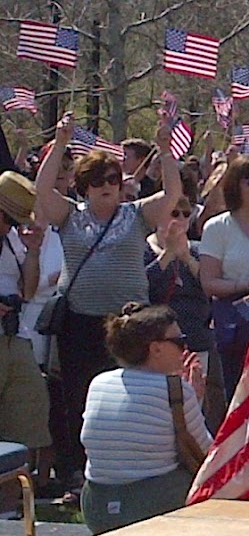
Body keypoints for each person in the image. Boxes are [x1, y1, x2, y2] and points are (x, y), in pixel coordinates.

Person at [33, 112, 182, 496]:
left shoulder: (135, 216)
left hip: (129, 325)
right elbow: (42, 189)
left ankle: (133, 468)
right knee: (77, 400)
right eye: (97, 181)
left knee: (131, 395)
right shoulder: (69, 216)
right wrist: (61, 143)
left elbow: (172, 195)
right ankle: (76, 474)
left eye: (113, 180)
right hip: (79, 324)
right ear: (84, 186)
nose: (106, 187)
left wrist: (164, 152)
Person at [79, 303, 209, 534]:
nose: (185, 348)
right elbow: (205, 452)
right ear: (156, 349)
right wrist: (195, 400)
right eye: (179, 341)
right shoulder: (174, 389)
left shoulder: (99, 382)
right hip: (149, 507)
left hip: (96, 507)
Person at [196, 159, 249, 410]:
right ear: (235, 185)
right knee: (238, 401)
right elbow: (209, 282)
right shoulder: (217, 228)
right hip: (234, 331)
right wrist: (245, 286)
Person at [0, 172, 52, 506]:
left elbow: (29, 291)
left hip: (14, 337)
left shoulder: (14, 242)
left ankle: (10, 508)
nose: (10, 226)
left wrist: (33, 251)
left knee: (29, 410)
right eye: (9, 219)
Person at [143, 195, 217, 427]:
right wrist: (167, 254)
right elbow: (143, 287)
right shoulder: (142, 248)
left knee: (194, 406)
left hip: (195, 339)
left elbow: (209, 287)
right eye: (174, 213)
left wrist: (185, 257)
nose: (181, 219)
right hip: (158, 344)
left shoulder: (198, 250)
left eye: (186, 214)